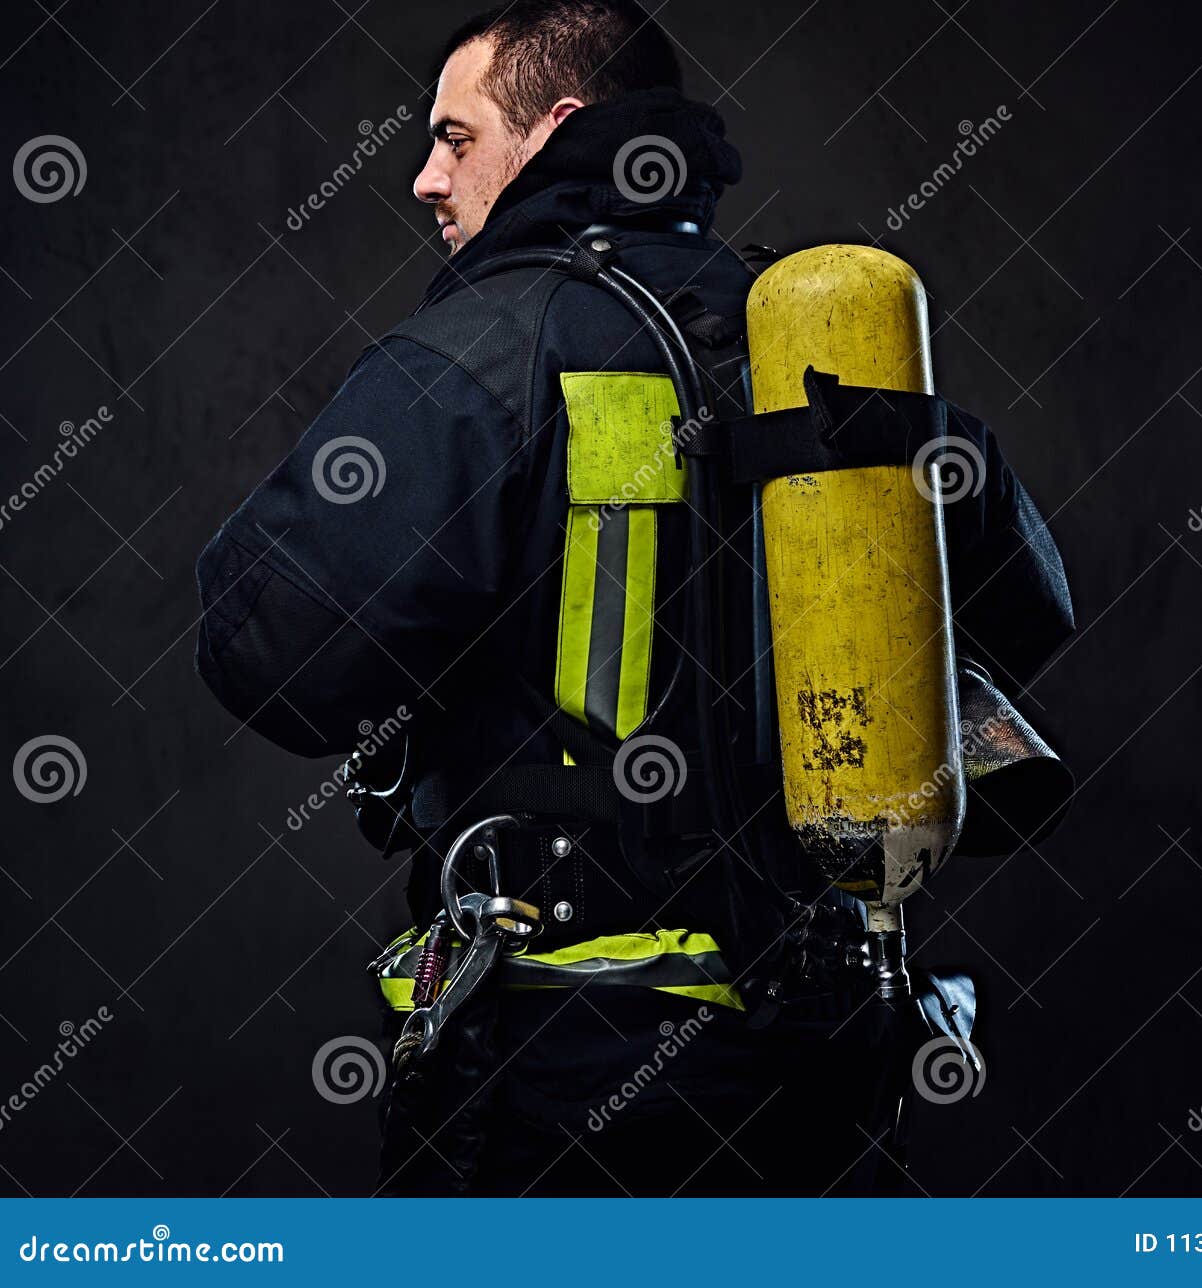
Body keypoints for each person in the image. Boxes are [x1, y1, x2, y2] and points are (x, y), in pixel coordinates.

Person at [194, 0, 1075, 1196]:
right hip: (834, 1043)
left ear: (555, 126)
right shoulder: (810, 340)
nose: (421, 179)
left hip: (567, 1067)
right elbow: (1030, 614)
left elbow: (274, 651)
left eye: (455, 139)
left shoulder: (481, 353)